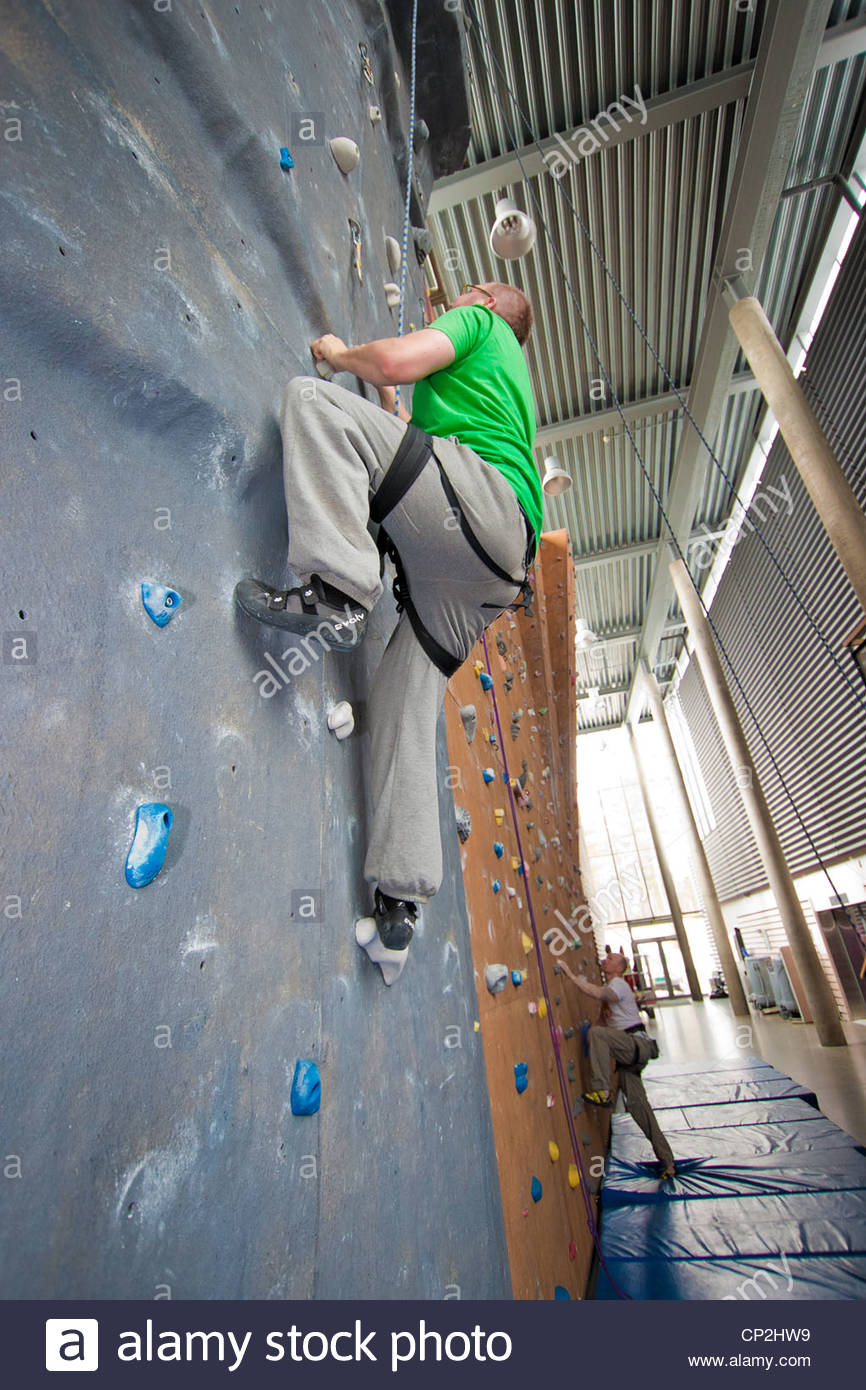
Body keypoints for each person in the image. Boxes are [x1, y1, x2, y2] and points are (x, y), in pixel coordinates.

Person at [234, 282, 540, 984]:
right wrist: (390, 409)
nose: (466, 293)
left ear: (492, 305)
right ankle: (399, 907)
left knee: (310, 403)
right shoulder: (498, 384)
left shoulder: (478, 327)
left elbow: (400, 361)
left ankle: (340, 591)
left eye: (478, 290)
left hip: (474, 514)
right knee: (405, 701)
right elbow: (409, 435)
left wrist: (342, 356)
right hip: (492, 569)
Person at [559, 951, 676, 1180]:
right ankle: (668, 1161)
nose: (605, 959)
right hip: (628, 1055)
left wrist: (572, 977)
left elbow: (602, 997)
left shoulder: (619, 984)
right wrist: (601, 1021)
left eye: (610, 958)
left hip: (635, 1044)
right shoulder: (611, 993)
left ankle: (603, 1091)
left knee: (598, 1034)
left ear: (618, 968)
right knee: (637, 1106)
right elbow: (600, 1029)